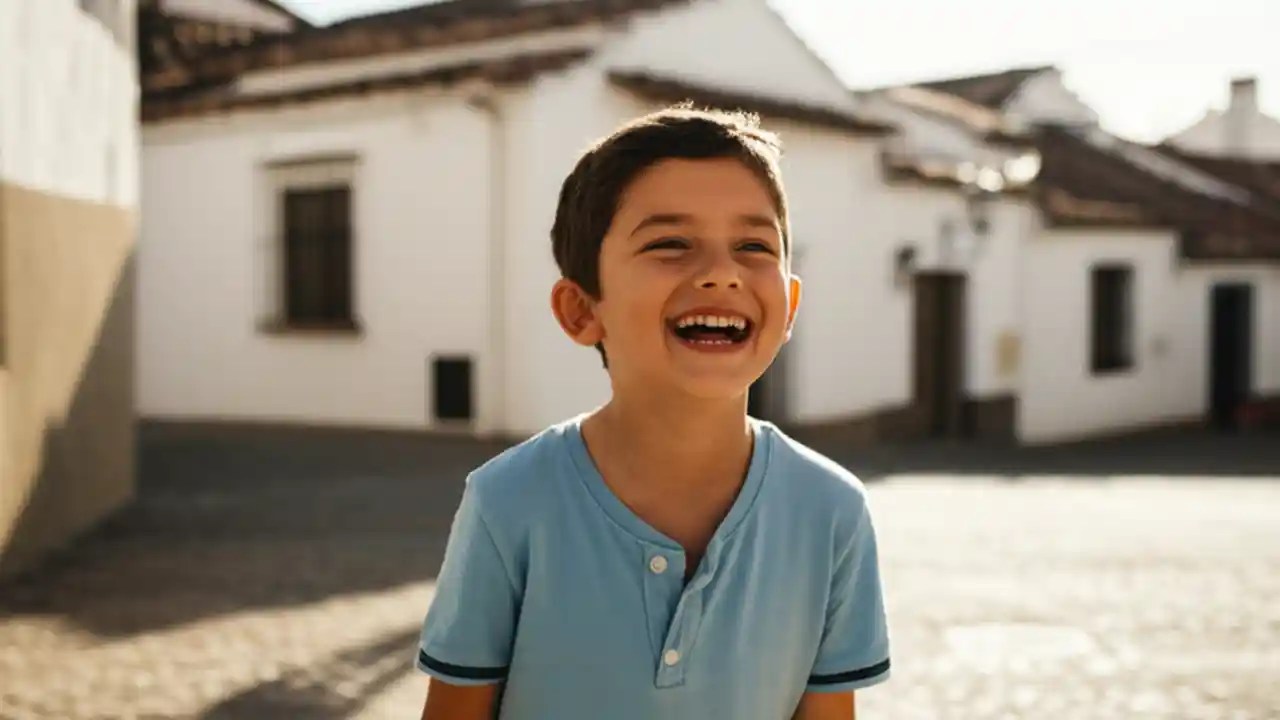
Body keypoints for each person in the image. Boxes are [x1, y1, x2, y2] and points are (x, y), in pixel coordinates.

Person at [417, 106, 891, 720]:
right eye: (670, 244)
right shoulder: (508, 502)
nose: (722, 273)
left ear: (790, 303)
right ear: (581, 311)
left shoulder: (832, 512)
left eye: (753, 245)